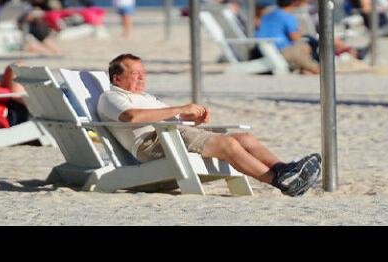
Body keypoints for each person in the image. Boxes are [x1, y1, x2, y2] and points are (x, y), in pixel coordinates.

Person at [96, 53, 322, 196]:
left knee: (245, 139)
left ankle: (284, 169)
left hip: (173, 134)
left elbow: (164, 116)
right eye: (135, 74)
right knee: (228, 145)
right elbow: (131, 117)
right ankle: (280, 182)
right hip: (152, 143)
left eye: (143, 74)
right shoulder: (112, 97)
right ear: (117, 78)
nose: (141, 79)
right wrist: (180, 109)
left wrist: (192, 119)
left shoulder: (147, 97)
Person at [256, 0, 319, 74]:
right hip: (279, 50)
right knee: (304, 47)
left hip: (262, 48)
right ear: (294, 3)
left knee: (302, 48)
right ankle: (317, 69)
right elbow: (295, 38)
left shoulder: (266, 15)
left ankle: (304, 69)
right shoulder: (288, 17)